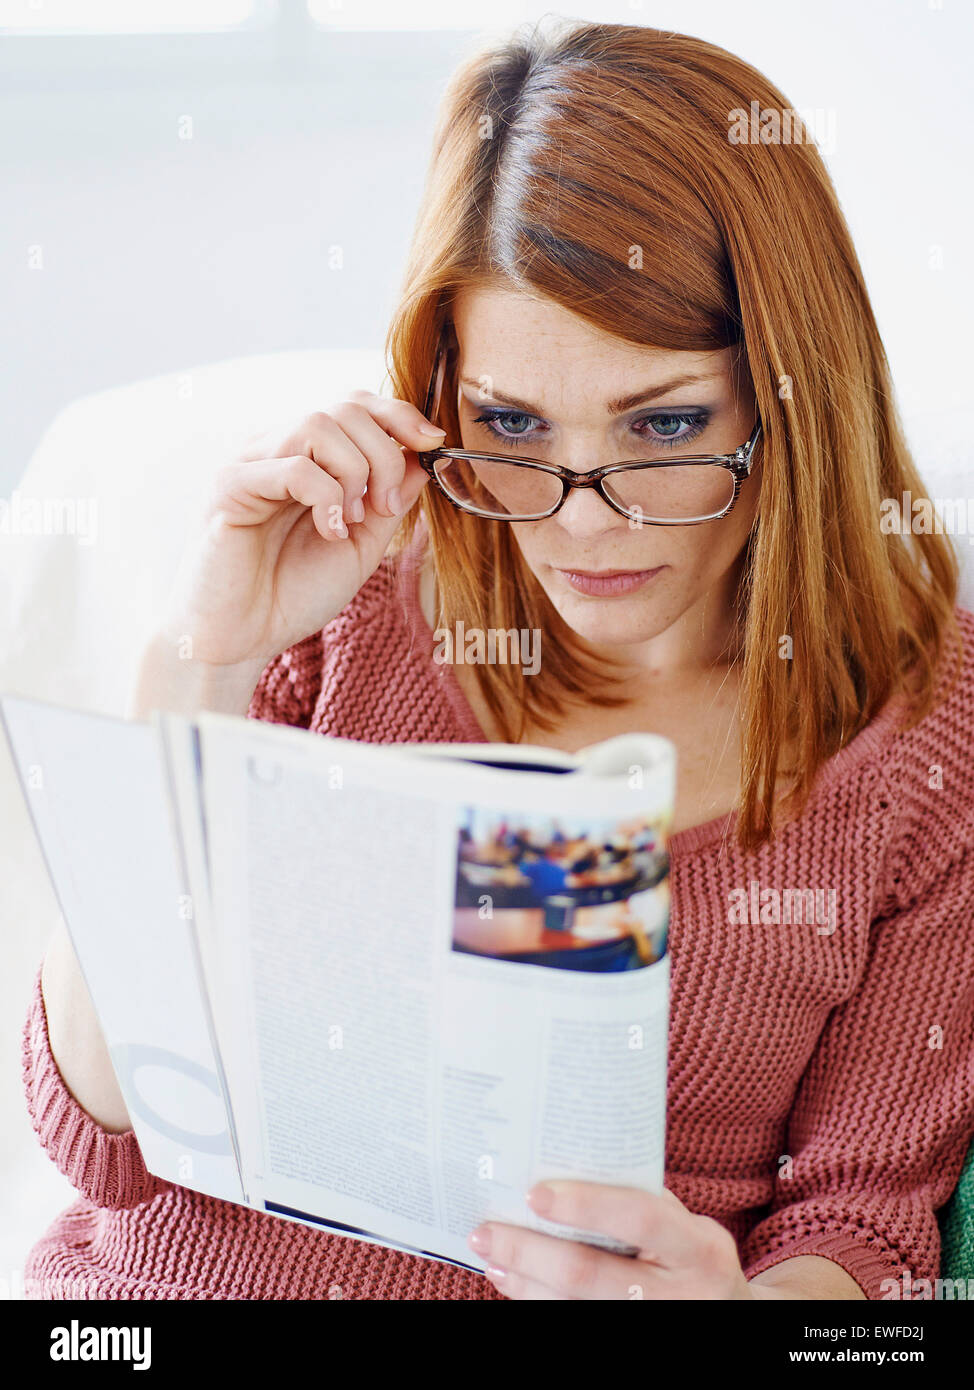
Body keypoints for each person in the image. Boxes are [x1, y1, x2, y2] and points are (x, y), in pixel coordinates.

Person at [24, 18, 974, 1302]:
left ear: (790, 394)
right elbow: (101, 1137)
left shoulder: (922, 731)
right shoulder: (348, 595)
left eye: (668, 424)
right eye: (511, 423)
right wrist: (199, 664)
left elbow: (864, 1230)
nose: (582, 520)